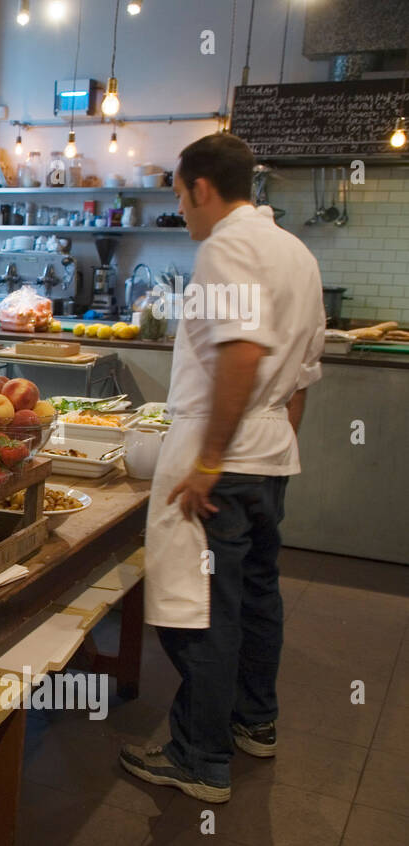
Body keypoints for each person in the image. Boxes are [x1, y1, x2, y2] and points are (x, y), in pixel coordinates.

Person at [119, 133, 326, 803]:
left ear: (202, 188)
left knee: (204, 608)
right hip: (267, 456)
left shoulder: (227, 247)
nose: (180, 209)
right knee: (258, 594)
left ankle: (200, 758)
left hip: (225, 458)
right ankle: (253, 722)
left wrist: (211, 461)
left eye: (181, 195)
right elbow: (303, 376)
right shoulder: (295, 252)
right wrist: (269, 449)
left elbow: (240, 355)